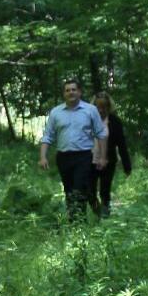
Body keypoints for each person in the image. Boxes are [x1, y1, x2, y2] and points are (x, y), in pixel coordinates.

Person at [39, 79, 107, 221]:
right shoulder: (56, 112)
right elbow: (47, 136)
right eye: (67, 90)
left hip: (84, 156)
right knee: (69, 190)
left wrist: (102, 157)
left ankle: (78, 222)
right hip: (63, 157)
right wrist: (43, 157)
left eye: (73, 89)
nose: (71, 92)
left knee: (78, 188)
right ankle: (89, 213)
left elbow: (101, 134)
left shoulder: (90, 110)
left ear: (79, 92)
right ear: (64, 94)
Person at [90, 92, 132, 218]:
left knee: (105, 190)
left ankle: (105, 216)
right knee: (89, 192)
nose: (101, 110)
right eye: (98, 107)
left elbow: (122, 144)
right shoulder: (87, 120)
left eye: (104, 107)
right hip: (89, 160)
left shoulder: (115, 122)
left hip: (108, 161)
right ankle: (97, 213)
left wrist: (127, 166)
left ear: (109, 107)